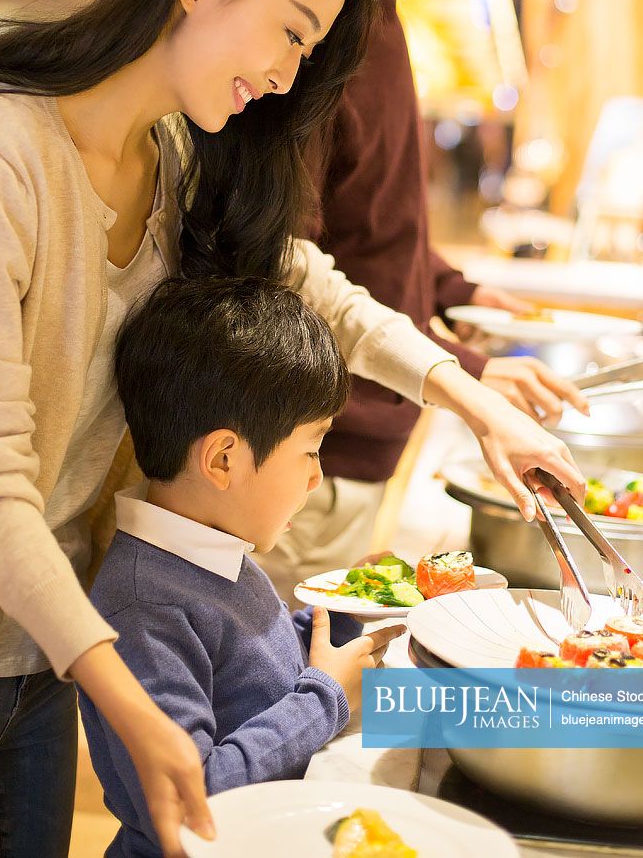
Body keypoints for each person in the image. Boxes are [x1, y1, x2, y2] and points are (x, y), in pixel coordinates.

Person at [0, 0, 581, 858]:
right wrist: (121, 686)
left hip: (45, 647)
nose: (285, 75)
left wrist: (476, 401)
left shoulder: (177, 167)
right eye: (289, 31)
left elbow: (316, 282)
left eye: (308, 49)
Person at [259, 0, 589, 603]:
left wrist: (449, 283)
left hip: (366, 423)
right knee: (278, 716)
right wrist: (461, 373)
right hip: (307, 440)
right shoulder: (309, 23)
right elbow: (284, 262)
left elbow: (363, 210)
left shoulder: (378, 4)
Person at [79, 275, 405, 857]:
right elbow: (188, 804)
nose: (316, 475)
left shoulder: (217, 547)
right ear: (224, 458)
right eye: (310, 449)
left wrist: (349, 610)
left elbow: (257, 670)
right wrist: (325, 697)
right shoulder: (143, 606)